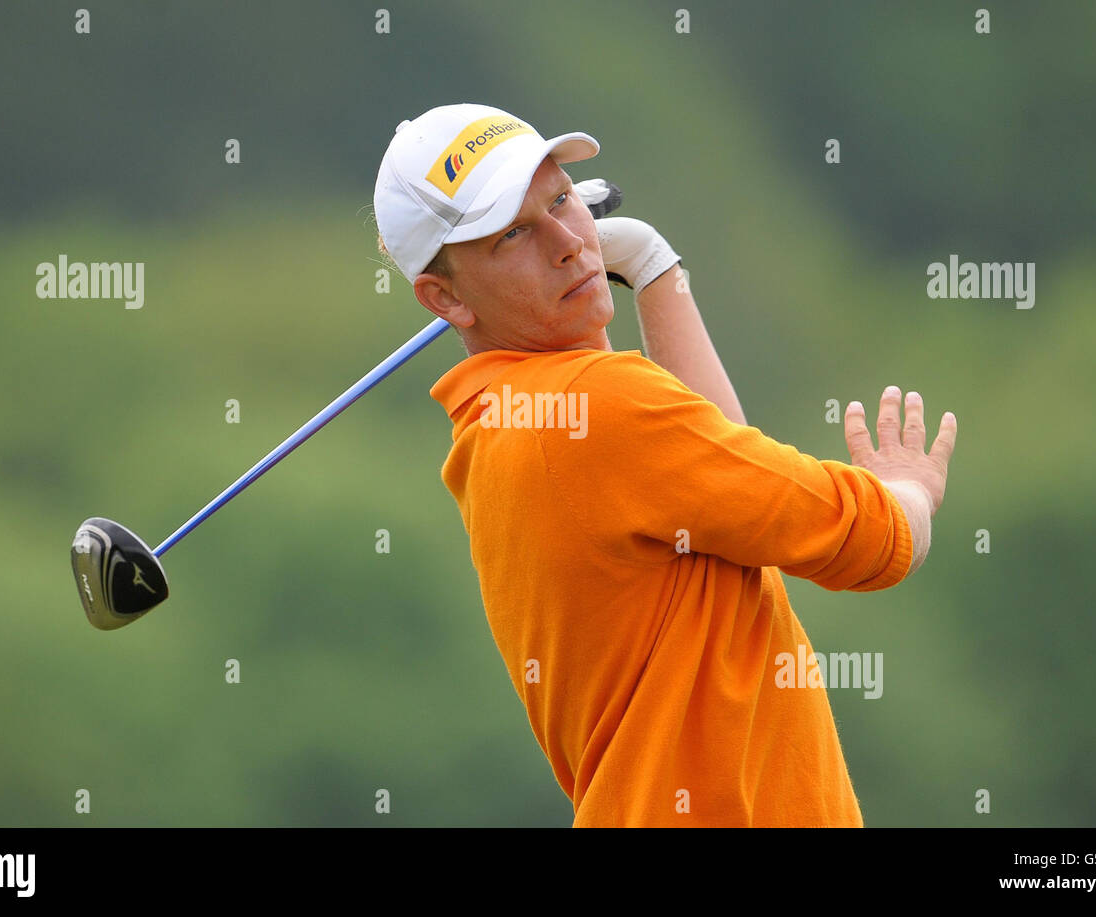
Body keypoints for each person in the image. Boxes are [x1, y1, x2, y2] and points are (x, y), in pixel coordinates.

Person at [372, 102, 957, 827]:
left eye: (560, 201)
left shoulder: (496, 427)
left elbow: (723, 480)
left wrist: (650, 264)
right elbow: (868, 544)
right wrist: (909, 495)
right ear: (444, 297)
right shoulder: (602, 408)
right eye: (514, 235)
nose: (566, 243)